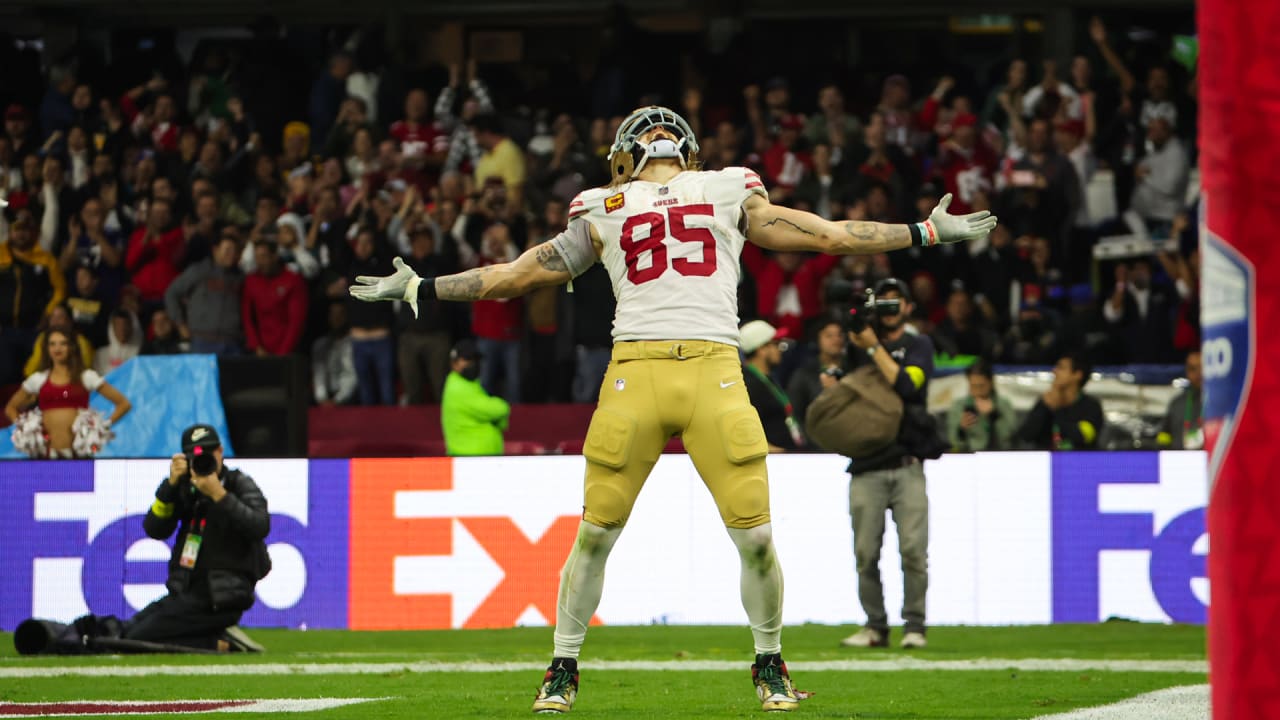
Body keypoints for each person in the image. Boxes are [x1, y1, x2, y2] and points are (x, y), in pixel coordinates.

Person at [349, 105, 996, 713]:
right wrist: (424, 286)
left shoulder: (671, 195)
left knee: (682, 536)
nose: (648, 143)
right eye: (650, 135)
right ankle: (634, 665)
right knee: (670, 536)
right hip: (669, 372)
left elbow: (823, 235)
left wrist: (921, 231)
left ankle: (697, 665)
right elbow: (521, 274)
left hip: (679, 372)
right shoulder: (660, 197)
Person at [839, 278, 936, 650]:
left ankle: (915, 625)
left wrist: (873, 346)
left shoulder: (919, 345)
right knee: (865, 554)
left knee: (913, 551)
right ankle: (875, 626)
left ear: (909, 307)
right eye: (884, 303)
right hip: (866, 462)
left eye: (896, 302)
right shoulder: (857, 346)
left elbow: (910, 386)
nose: (890, 310)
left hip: (907, 462)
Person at [126, 424, 270, 651]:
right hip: (187, 592)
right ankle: (216, 637)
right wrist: (170, 486)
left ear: (220, 452)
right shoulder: (185, 487)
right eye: (196, 456)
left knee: (138, 638)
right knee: (128, 631)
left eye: (208, 454)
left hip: (222, 597)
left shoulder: (237, 483)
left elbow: (260, 526)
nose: (203, 461)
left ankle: (223, 644)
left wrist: (219, 495)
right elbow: (154, 529)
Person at [5, 327, 131, 458]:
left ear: (72, 347)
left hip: (79, 456)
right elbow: (10, 408)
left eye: (63, 343)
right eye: (52, 344)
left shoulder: (86, 377)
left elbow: (124, 404)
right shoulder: (38, 379)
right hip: (45, 456)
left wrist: (101, 428)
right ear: (47, 349)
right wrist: (26, 428)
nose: (57, 348)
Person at [1014, 351, 1105, 450]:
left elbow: (1083, 437)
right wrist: (1043, 407)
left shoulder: (1090, 406)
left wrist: (1056, 411)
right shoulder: (1046, 401)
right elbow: (1025, 436)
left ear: (1077, 374)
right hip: (1047, 457)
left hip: (1079, 458)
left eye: (1061, 368)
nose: (1054, 371)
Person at [739, 319, 801, 452]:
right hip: (771, 459)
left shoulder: (767, 378)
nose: (780, 350)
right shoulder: (747, 383)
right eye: (776, 344)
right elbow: (742, 424)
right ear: (762, 349)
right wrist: (765, 448)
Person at [440, 339, 509, 456]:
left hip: (477, 457)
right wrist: (502, 409)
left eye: (476, 360)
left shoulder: (470, 384)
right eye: (468, 360)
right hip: (468, 458)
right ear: (454, 363)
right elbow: (499, 410)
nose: (473, 364)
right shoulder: (458, 388)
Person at [786, 319, 848, 443]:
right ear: (818, 340)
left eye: (839, 335)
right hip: (817, 444)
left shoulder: (854, 370)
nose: (836, 339)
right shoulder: (804, 374)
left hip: (852, 439)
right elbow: (796, 414)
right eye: (829, 336)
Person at [946, 359, 1017, 452]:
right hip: (970, 455)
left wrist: (993, 415)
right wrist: (961, 430)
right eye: (973, 386)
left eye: (981, 386)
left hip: (998, 454)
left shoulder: (1003, 404)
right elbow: (953, 442)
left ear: (991, 383)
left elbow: (1009, 437)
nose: (978, 391)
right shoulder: (959, 406)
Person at [1159, 349, 1202, 450]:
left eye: (1201, 368)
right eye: (1193, 369)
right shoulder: (1177, 403)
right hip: (1178, 457)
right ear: (1187, 371)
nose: (1198, 373)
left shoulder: (1219, 404)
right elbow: (1165, 434)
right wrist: (1162, 450)